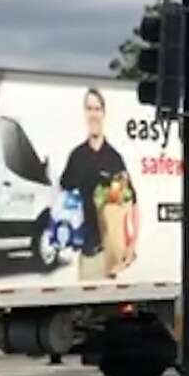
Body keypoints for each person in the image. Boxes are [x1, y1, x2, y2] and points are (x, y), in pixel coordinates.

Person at [57, 88, 135, 280]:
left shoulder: (114, 159)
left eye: (97, 109)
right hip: (88, 253)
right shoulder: (77, 157)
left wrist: (129, 246)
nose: (93, 114)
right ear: (84, 113)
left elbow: (129, 204)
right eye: (89, 109)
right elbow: (64, 192)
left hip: (109, 252)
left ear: (104, 113)